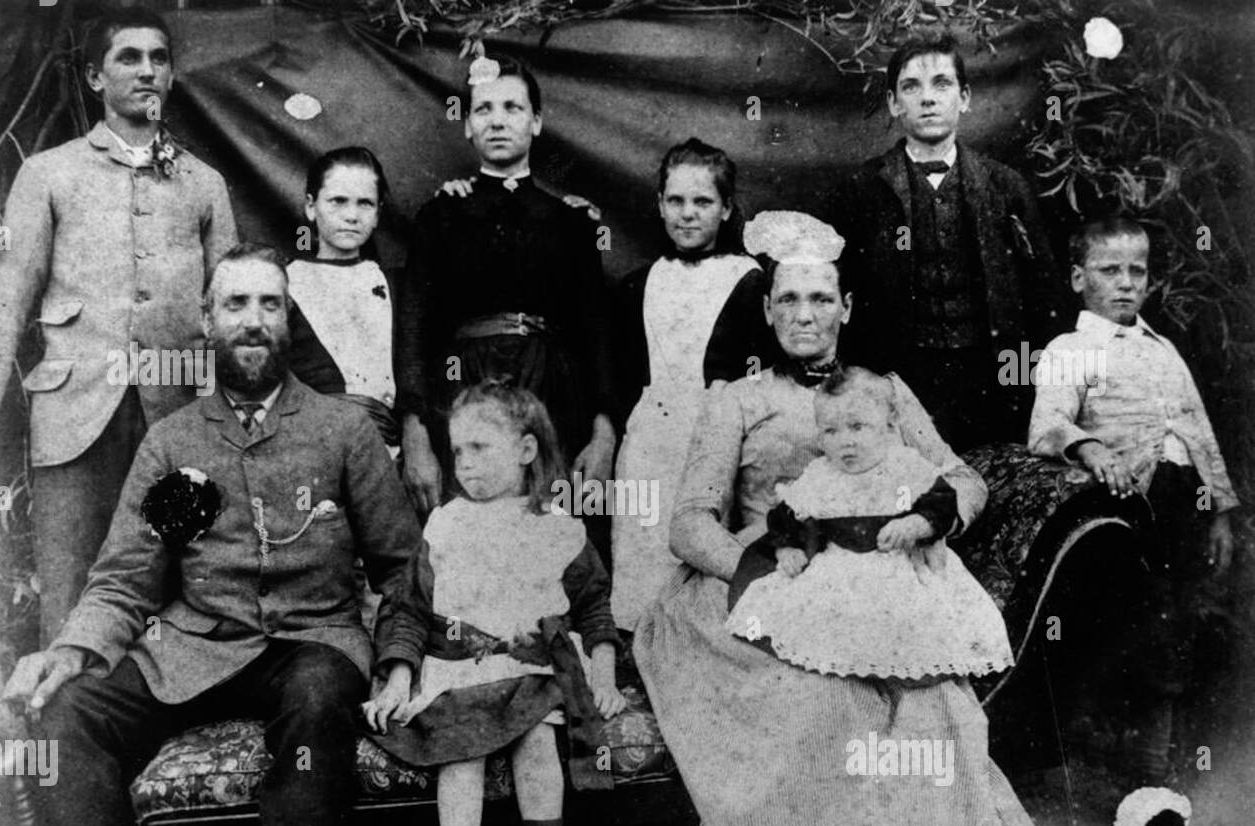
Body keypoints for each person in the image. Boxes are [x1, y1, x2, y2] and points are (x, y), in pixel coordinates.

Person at [0, 244, 421, 826]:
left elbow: (401, 566)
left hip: (309, 643)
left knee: (322, 701)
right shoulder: (180, 444)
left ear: (288, 320)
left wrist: (396, 656)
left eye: (268, 305)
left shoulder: (340, 433)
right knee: (67, 722)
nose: (253, 322)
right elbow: (130, 575)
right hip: (190, 649)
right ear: (206, 321)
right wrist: (71, 650)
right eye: (235, 306)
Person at [633, 211, 1034, 826]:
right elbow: (687, 523)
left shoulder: (886, 391)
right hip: (755, 586)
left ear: (846, 307)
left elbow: (963, 476)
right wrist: (759, 581)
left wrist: (929, 517)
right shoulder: (736, 399)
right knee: (826, 704)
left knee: (932, 709)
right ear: (768, 311)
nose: (805, 315)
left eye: (821, 299)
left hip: (875, 591)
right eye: (789, 301)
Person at [0, 5, 237, 644]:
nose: (146, 72)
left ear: (171, 77)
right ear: (94, 79)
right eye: (128, 59)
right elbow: (2, 309)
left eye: (158, 59)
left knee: (173, 596)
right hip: (73, 420)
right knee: (72, 597)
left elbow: (227, 315)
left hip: (176, 419)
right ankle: (68, 731)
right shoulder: (48, 174)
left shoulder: (204, 184)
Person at [364, 379, 625, 826]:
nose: (466, 465)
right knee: (459, 760)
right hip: (458, 672)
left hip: (533, 673)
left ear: (528, 451)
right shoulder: (444, 526)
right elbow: (406, 610)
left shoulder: (558, 527)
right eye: (458, 452)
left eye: (481, 448)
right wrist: (398, 681)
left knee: (538, 751)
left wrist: (603, 676)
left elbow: (594, 610)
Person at [1028, 216, 1238, 783]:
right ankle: (1106, 752)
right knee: (1127, 622)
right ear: (1078, 279)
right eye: (1109, 270)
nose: (1125, 283)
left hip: (1182, 503)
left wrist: (1220, 513)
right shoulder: (1070, 347)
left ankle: (1152, 753)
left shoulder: (1163, 348)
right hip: (1122, 508)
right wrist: (1089, 447)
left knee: (1178, 619)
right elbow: (1047, 423)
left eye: (1136, 271)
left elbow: (1201, 434)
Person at [395, 54, 616, 524]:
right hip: (462, 383)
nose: (498, 121)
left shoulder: (571, 221)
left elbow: (597, 332)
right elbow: (413, 328)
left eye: (513, 109)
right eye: (484, 109)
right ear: (468, 126)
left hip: (553, 388)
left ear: (536, 123)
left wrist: (604, 435)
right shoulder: (440, 216)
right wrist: (414, 436)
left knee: (549, 527)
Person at [828, 31, 1062, 450]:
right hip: (901, 382)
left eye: (942, 84)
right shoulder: (862, 190)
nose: (928, 98)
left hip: (992, 381)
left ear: (965, 97)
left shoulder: (1005, 187)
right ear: (893, 103)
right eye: (911, 87)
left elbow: (1042, 291)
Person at [726, 367, 1013, 681]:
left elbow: (942, 502)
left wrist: (918, 524)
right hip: (841, 568)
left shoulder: (904, 466)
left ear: (888, 426)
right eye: (830, 432)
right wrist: (788, 550)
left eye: (857, 427)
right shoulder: (822, 475)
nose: (844, 442)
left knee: (914, 624)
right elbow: (786, 518)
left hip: (900, 568)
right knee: (820, 622)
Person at [610, 138, 769, 630]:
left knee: (702, 544)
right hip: (647, 436)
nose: (687, 214)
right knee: (641, 538)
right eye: (675, 201)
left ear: (726, 209)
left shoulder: (750, 280)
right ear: (659, 205)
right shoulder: (640, 282)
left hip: (712, 438)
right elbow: (623, 374)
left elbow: (758, 377)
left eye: (703, 202)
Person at [287, 146, 398, 450]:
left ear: (378, 214)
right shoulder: (287, 282)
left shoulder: (392, 283)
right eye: (338, 201)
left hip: (385, 446)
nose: (351, 215)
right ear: (311, 206)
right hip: (310, 444)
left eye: (365, 203)